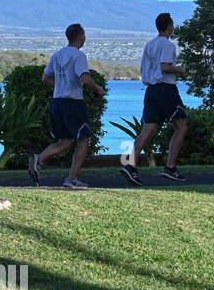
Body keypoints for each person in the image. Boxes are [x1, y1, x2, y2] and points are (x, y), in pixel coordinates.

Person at [28, 23, 106, 188]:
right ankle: (72, 178)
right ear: (81, 36)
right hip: (73, 103)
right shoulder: (79, 56)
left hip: (57, 102)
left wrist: (60, 86)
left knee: (64, 141)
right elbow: (85, 79)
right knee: (84, 139)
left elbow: (45, 78)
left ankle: (38, 159)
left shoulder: (57, 54)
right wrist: (98, 88)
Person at [121, 12, 188, 185]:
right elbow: (165, 67)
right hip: (166, 89)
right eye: (172, 25)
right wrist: (180, 70)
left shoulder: (149, 45)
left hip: (151, 90)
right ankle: (170, 168)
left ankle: (129, 164)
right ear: (169, 27)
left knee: (148, 128)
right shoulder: (168, 45)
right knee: (181, 126)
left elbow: (145, 68)